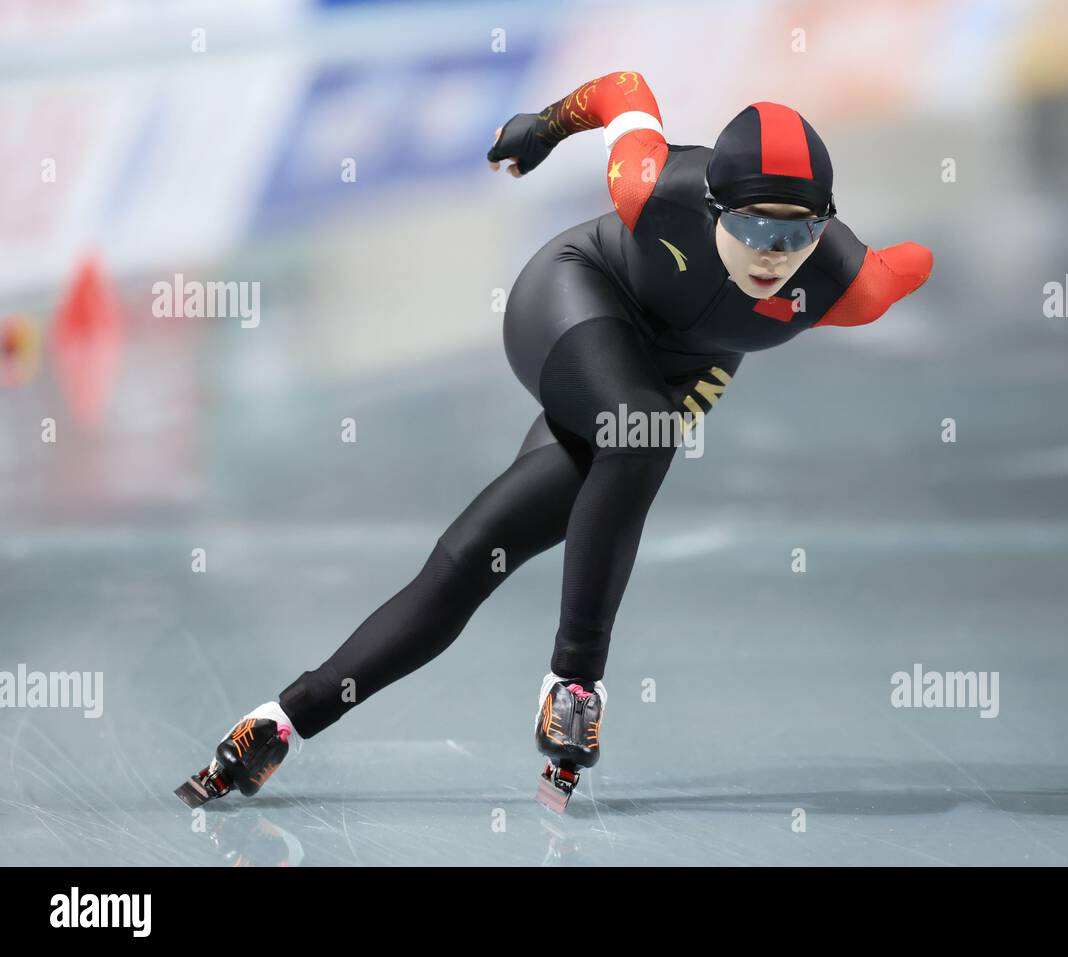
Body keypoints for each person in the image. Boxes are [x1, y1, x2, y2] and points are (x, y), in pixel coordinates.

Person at [176, 71, 933, 811]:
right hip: (576, 300)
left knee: (480, 550)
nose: (773, 254)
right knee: (643, 429)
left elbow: (908, 265)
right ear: (711, 208)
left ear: (824, 222)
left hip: (666, 379)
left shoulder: (846, 281)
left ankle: (282, 718)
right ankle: (575, 682)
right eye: (752, 227)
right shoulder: (656, 186)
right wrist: (541, 130)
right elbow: (624, 91)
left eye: (795, 232)